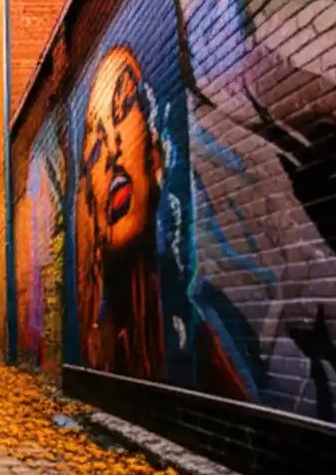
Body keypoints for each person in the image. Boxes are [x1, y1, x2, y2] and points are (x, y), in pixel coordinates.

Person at [77, 45, 247, 399]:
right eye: (95, 147)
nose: (112, 151)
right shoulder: (92, 348)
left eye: (124, 109)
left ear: (154, 154)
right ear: (89, 203)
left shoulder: (203, 350)